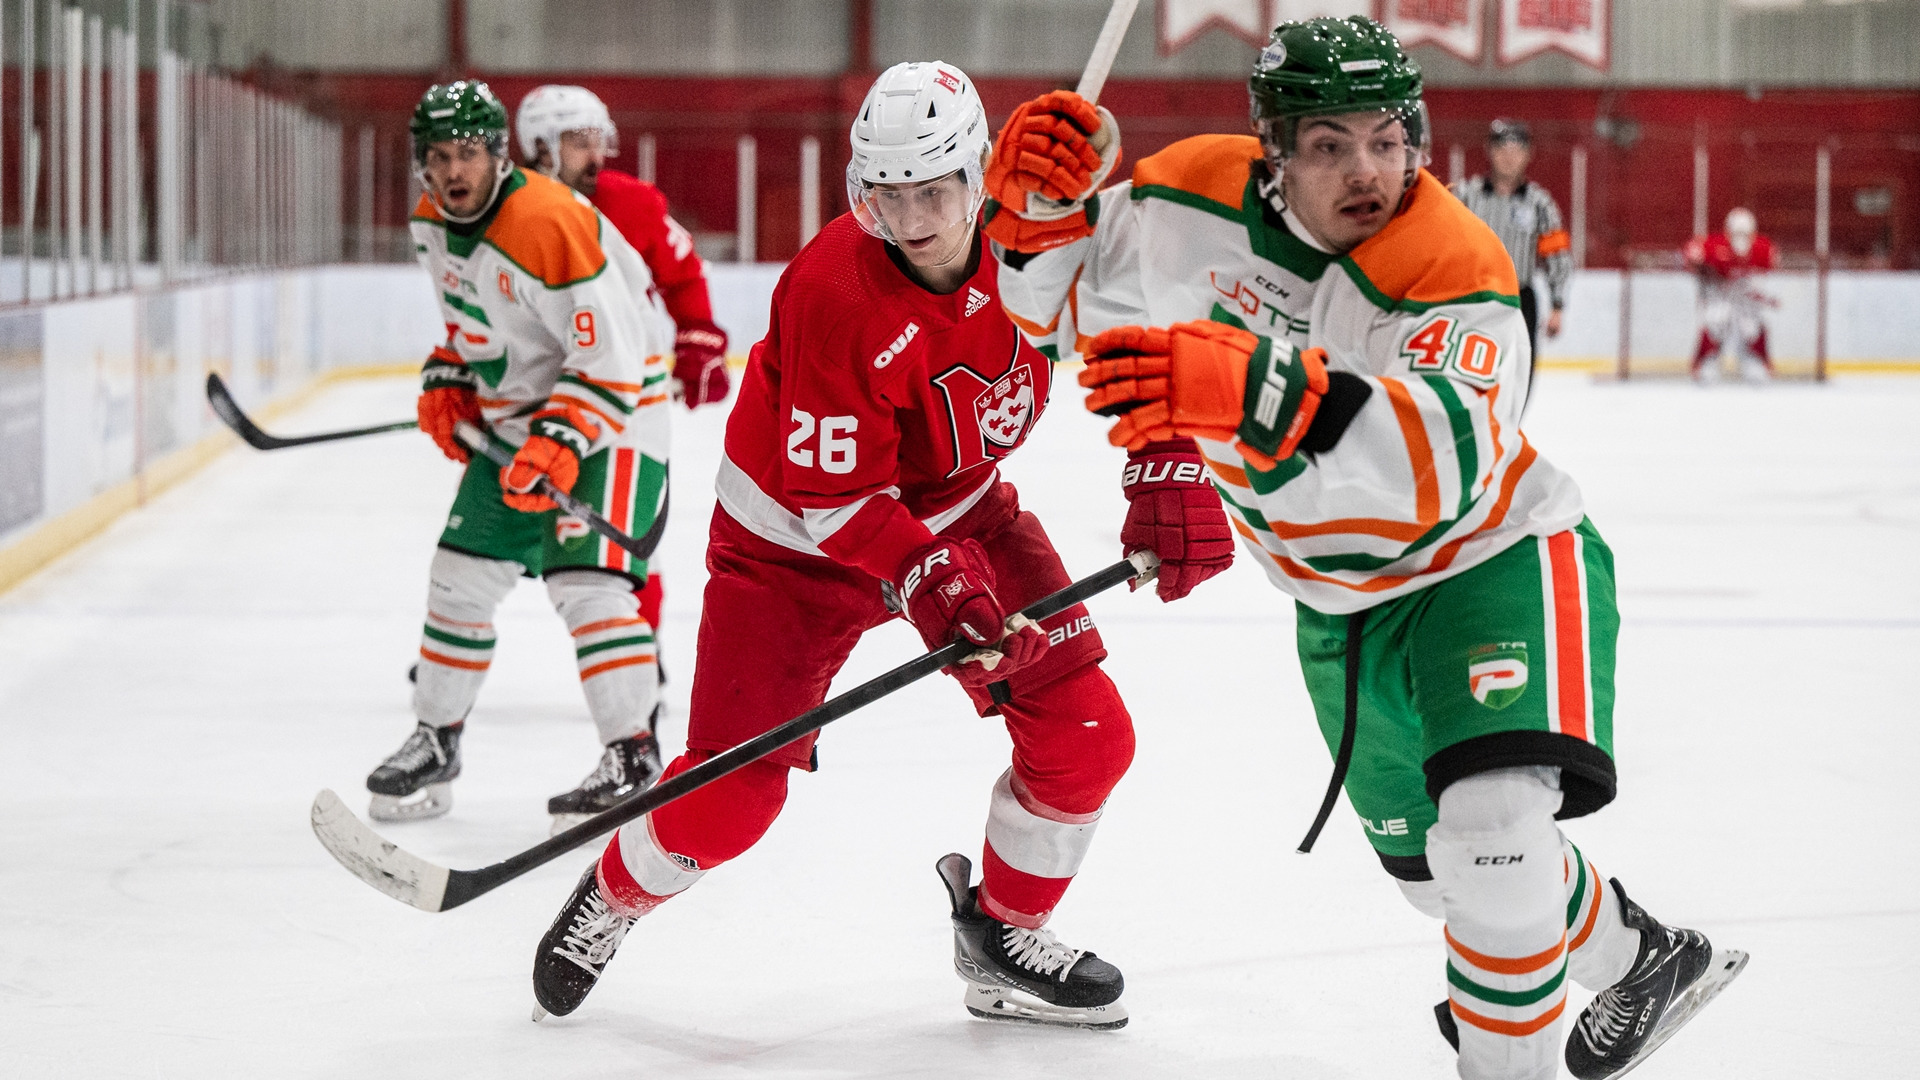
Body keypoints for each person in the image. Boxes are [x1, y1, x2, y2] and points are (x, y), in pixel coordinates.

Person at [986, 16, 1746, 1080]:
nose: (1368, 171)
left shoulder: (1456, 260)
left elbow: (1446, 464)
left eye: (1389, 139)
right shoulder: (1189, 196)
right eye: (1331, 144)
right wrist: (1036, 206)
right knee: (1442, 882)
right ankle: (1642, 957)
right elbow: (1045, 305)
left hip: (1492, 564)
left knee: (1491, 842)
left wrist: (1261, 393)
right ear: (1272, 149)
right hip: (1336, 605)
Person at [528, 61, 1140, 1032]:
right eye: (887, 194)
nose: (911, 218)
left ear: (979, 176)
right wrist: (926, 579)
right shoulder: (834, 293)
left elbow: (1137, 302)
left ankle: (1003, 938)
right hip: (790, 551)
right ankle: (616, 891)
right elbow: (836, 498)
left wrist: (1169, 459)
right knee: (733, 800)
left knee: (1087, 733)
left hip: (965, 513)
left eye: (934, 190)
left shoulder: (1035, 236)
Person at [364, 81, 675, 830]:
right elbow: (476, 324)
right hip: (521, 417)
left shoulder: (547, 222)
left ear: (499, 153)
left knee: (588, 584)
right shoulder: (431, 220)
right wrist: (451, 377)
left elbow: (614, 358)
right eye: (437, 158)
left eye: (467, 153)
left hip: (619, 410)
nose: (452, 172)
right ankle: (436, 738)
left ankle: (633, 753)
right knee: (459, 577)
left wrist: (562, 438)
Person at [516, 85, 731, 411]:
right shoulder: (509, 212)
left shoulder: (632, 202)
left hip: (630, 388)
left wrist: (697, 343)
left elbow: (685, 276)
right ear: (542, 147)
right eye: (580, 143)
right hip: (537, 387)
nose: (595, 157)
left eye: (598, 142)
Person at [1450, 119, 1572, 393]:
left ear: (1528, 155)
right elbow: (1445, 247)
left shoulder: (1539, 203)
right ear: (1490, 152)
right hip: (1473, 299)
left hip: (1520, 299)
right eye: (1502, 149)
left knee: (1519, 377)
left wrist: (1558, 305)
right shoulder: (1466, 196)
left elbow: (1558, 256)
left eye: (1516, 150)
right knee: (1468, 374)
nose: (1509, 157)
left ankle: (1508, 431)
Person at [1685, 207, 1778, 382]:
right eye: (1736, 233)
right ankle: (1706, 361)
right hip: (1721, 295)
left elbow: (1766, 277)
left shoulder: (1763, 248)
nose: (1741, 238)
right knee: (1716, 318)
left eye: (1745, 234)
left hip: (1747, 298)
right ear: (1727, 232)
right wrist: (1702, 268)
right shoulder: (1713, 245)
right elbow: (1690, 254)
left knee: (1751, 324)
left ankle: (1755, 359)